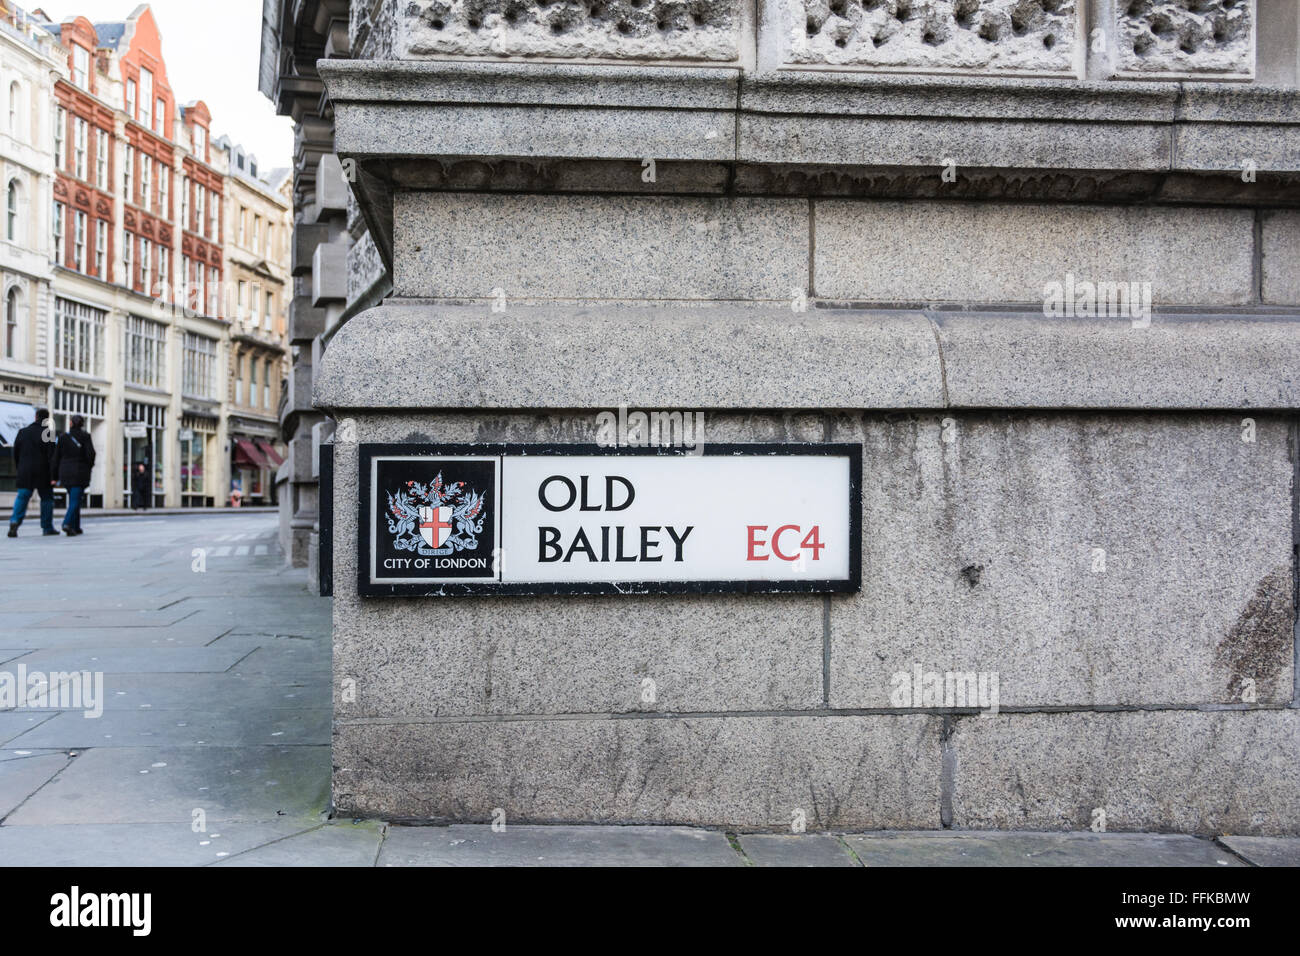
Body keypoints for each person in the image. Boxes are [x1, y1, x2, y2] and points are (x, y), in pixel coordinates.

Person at [6, 406, 58, 538]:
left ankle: (15, 521)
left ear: (35, 417)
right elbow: (51, 456)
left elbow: (16, 452)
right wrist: (54, 475)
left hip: (25, 470)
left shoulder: (23, 431)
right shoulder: (48, 433)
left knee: (22, 497)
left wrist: (20, 467)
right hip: (43, 472)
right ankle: (47, 527)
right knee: (46, 499)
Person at [50, 414, 95, 536]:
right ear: (82, 424)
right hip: (79, 472)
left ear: (70, 423)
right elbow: (91, 455)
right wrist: (88, 467)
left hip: (65, 472)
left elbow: (56, 458)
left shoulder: (63, 437)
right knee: (75, 500)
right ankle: (67, 523)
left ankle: (76, 526)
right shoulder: (85, 436)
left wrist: (54, 476)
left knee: (75, 498)